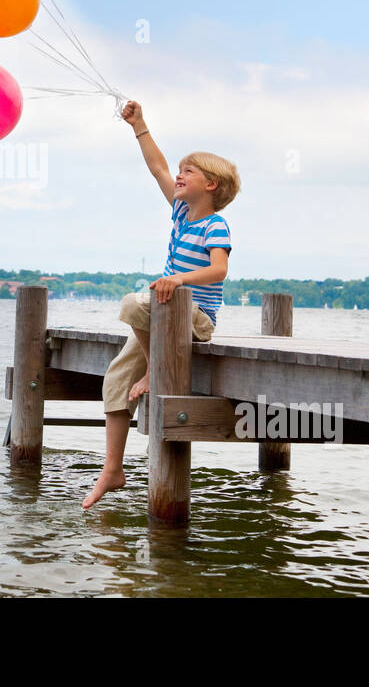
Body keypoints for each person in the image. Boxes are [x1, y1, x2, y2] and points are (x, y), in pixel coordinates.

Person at [82, 101, 239, 509]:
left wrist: (180, 278)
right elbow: (156, 166)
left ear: (212, 186)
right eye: (181, 170)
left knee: (133, 303)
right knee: (115, 380)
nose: (179, 176)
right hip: (163, 316)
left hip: (195, 318)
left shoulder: (214, 224)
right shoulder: (181, 212)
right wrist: (139, 124)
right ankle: (113, 469)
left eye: (190, 171)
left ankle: (155, 370)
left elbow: (219, 269)